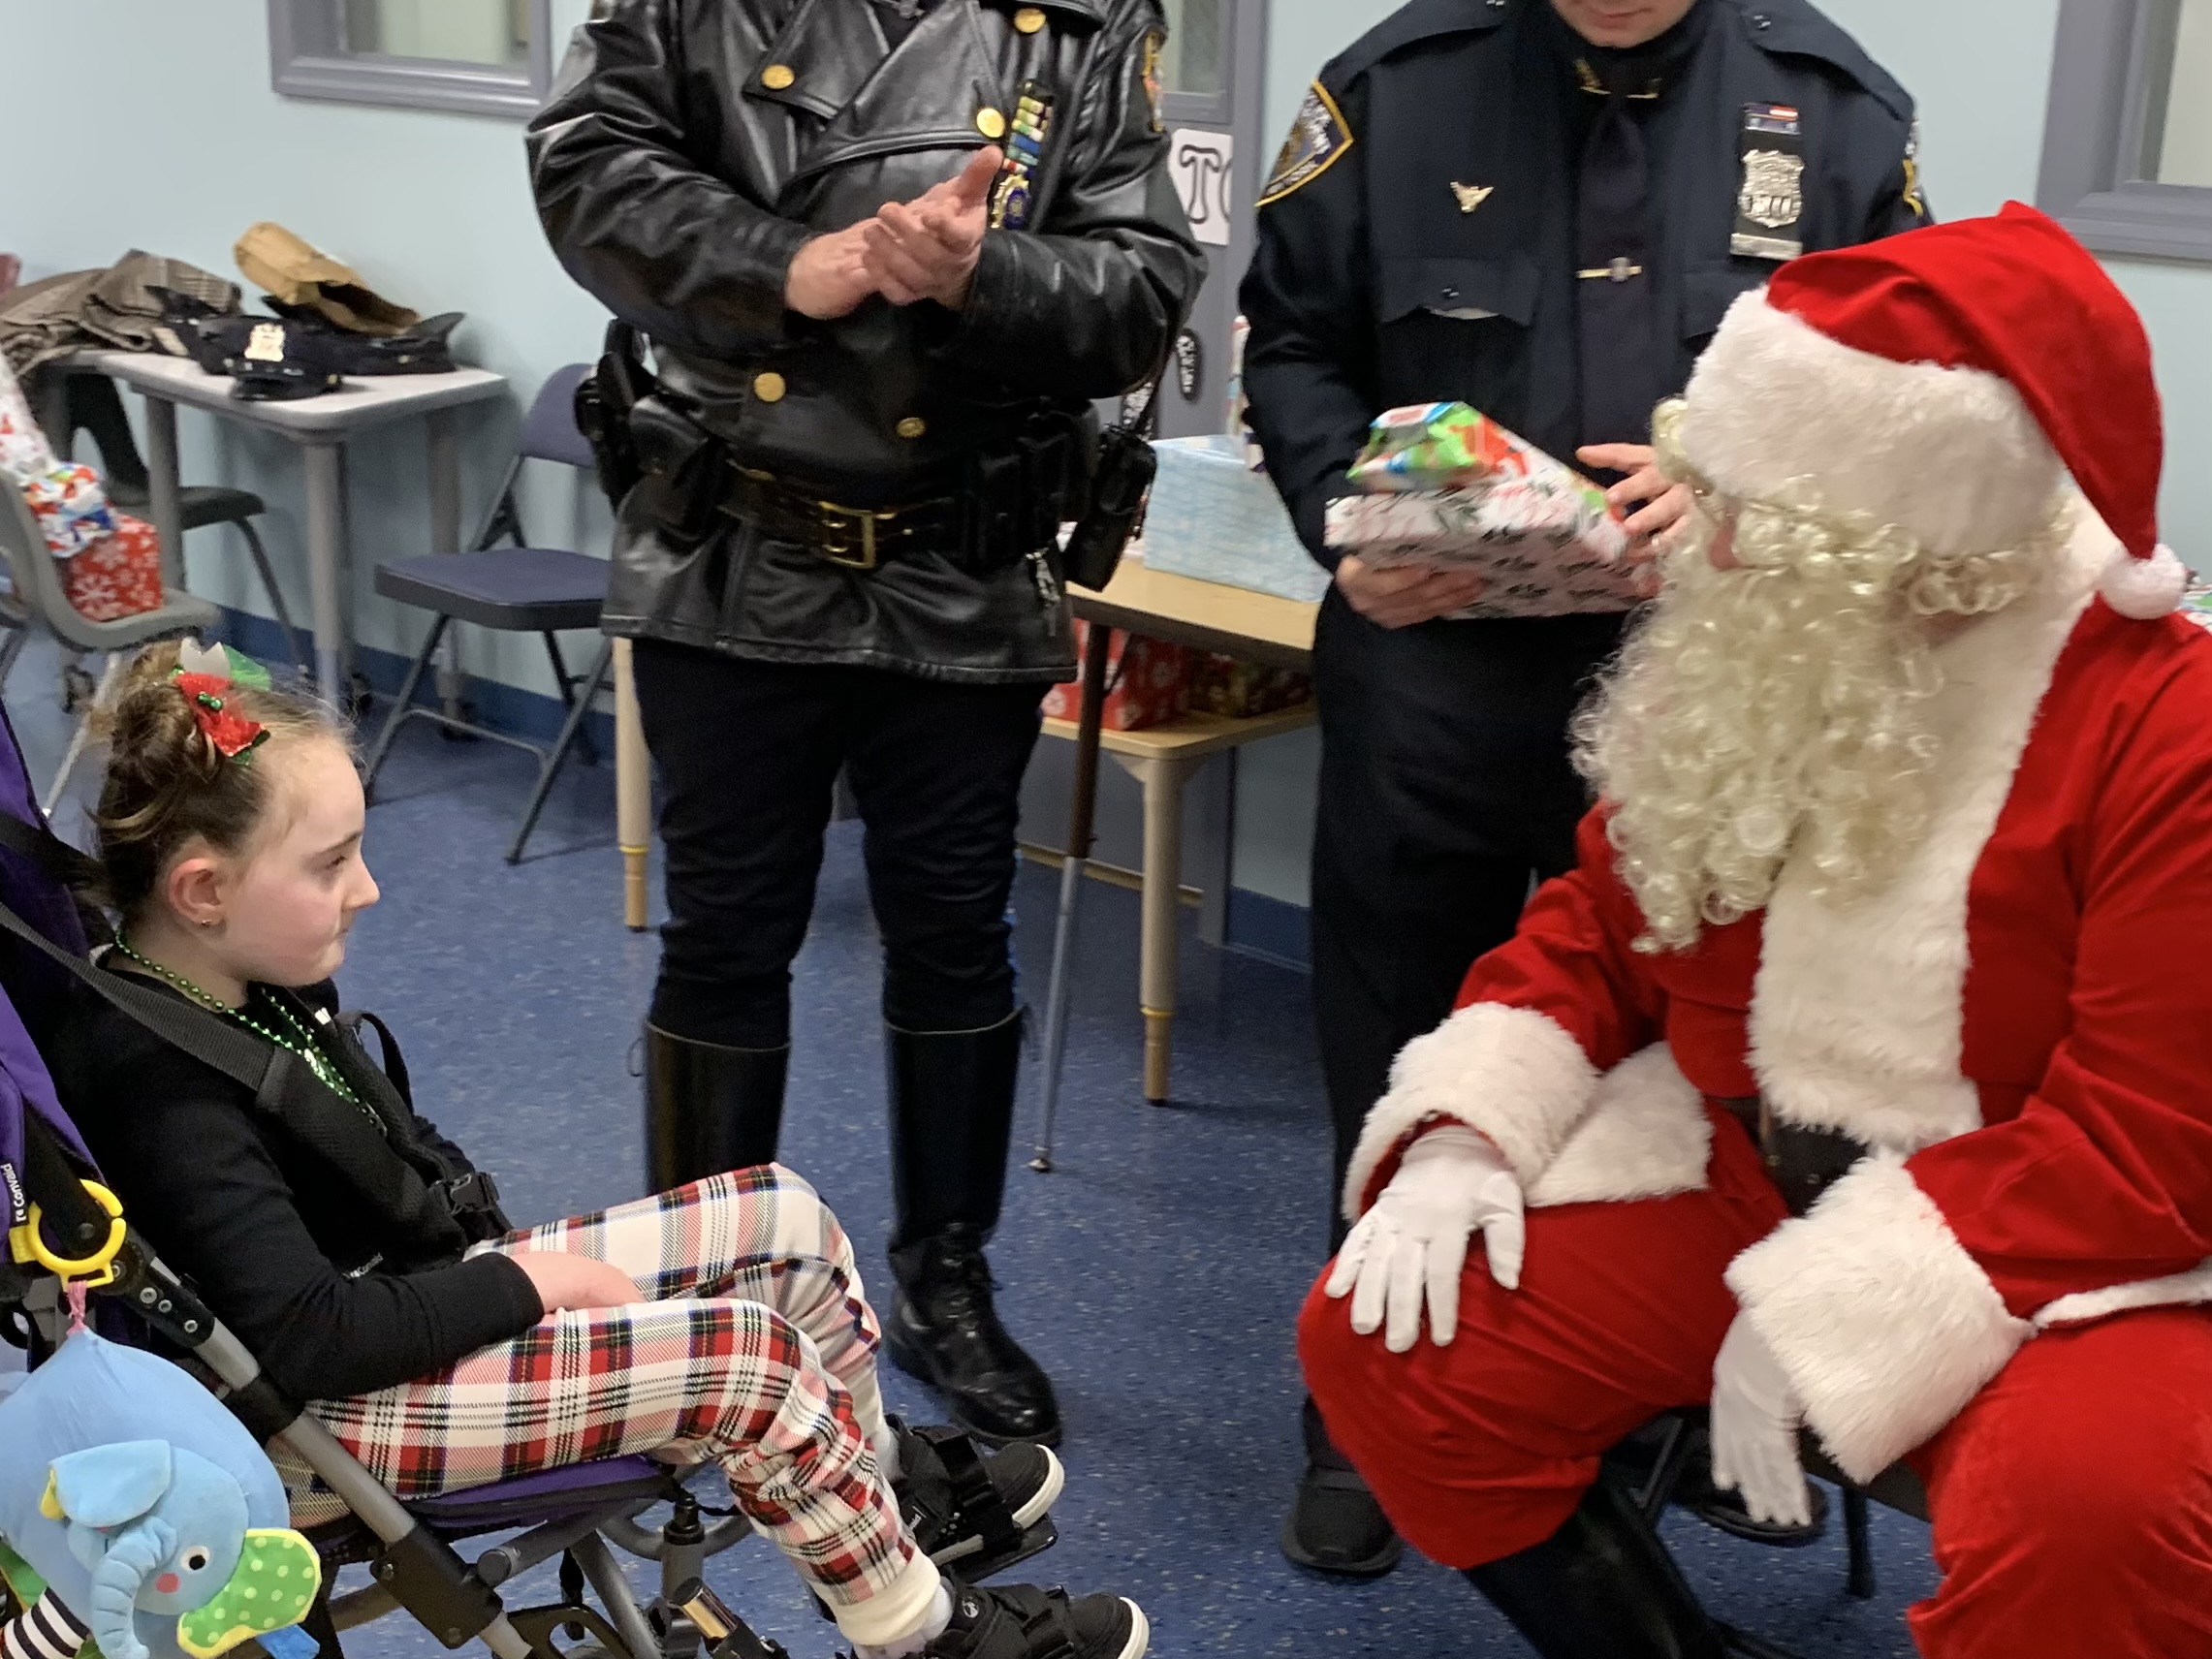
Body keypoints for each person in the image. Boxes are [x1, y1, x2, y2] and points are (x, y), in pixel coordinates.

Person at [1299, 203, 2212, 1658]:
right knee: (1398, 1345)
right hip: (1745, 1159)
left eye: (1748, 512)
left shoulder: (2166, 729)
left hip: (2050, 1236)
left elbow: (2144, 1150)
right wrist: (1466, 1130)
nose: (1693, 537)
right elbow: (1604, 921)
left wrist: (1825, 1307)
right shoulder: (1759, 642)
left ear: (1891, 545)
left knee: (2091, 1513)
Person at [46, 644, 1151, 1659]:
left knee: (783, 1219)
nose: (368, 886)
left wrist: (511, 1267)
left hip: (399, 1309)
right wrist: (529, 1281)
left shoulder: (243, 980)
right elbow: (307, 1334)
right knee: (747, 1361)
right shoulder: (165, 1079)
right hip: (324, 1420)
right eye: (333, 862)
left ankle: (884, 1506)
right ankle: (921, 1635)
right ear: (203, 888)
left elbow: (392, 1154)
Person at [1238, 0, 1930, 1575]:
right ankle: (1362, 1395)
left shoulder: (1830, 109)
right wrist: (1352, 524)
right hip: (1439, 671)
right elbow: (1291, 347)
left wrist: (1746, 483)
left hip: (1718, 688)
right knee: (1403, 1023)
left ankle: (1655, 1398)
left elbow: (1902, 382)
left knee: (1699, 1057)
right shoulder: (1393, 90)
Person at [524, 0, 1203, 1456]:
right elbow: (588, 166)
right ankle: (704, 1294)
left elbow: (1144, 285)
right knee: (726, 933)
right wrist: (799, 264)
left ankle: (947, 1282)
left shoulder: (1081, 21)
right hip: (734, 546)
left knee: (959, 929)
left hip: (965, 561)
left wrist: (982, 270)